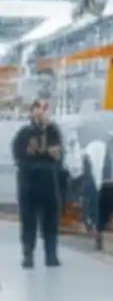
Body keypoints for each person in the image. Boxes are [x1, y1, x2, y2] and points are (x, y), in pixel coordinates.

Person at [12, 98, 64, 269]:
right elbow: (20, 156)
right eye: (39, 108)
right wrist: (44, 156)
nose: (42, 112)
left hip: (49, 183)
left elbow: (58, 154)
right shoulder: (24, 134)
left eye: (45, 109)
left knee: (51, 220)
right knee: (28, 221)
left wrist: (48, 156)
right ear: (32, 112)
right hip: (29, 184)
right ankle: (28, 254)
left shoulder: (54, 132)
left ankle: (51, 254)